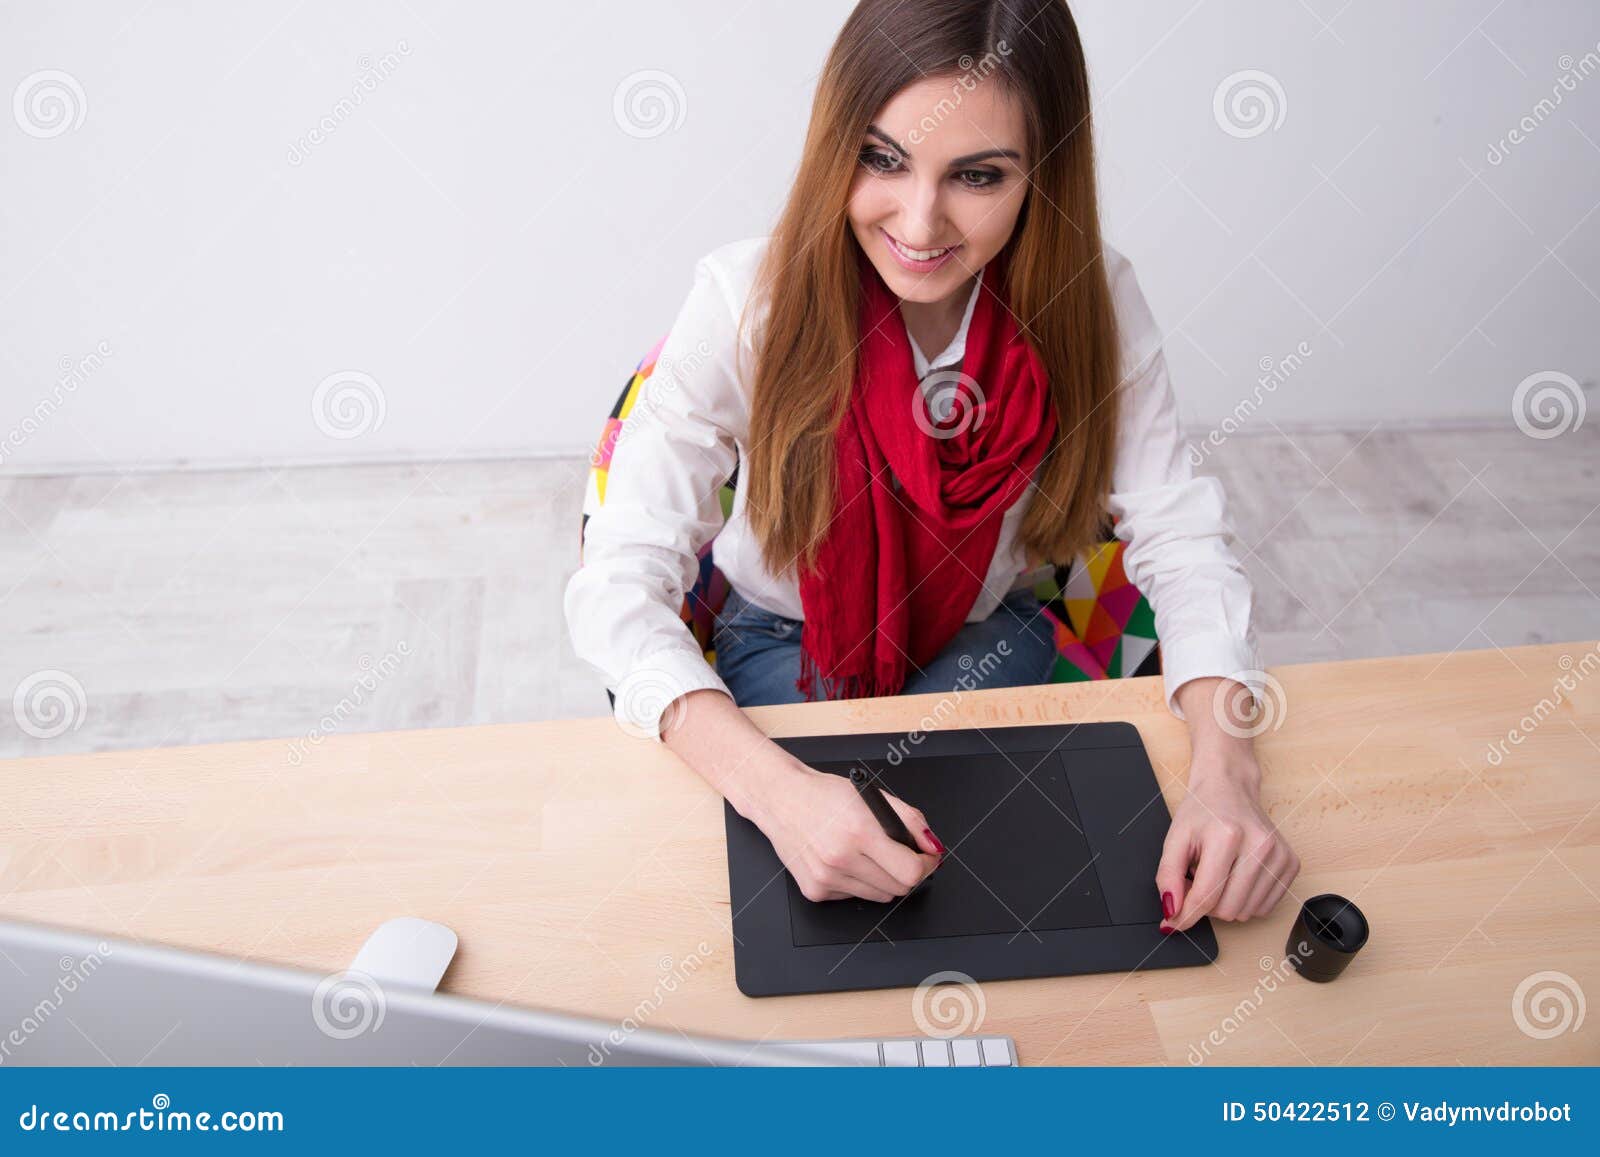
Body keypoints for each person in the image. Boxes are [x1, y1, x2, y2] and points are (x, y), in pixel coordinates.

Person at [565, 0, 1299, 933]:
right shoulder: (744, 300)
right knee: (834, 897)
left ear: (1045, 173)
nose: (918, 222)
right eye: (881, 159)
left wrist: (1228, 776)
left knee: (1028, 898)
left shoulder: (1090, 297)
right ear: (837, 143)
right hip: (785, 647)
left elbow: (1181, 537)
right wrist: (779, 793)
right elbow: (618, 584)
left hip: (987, 636)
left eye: (978, 175)